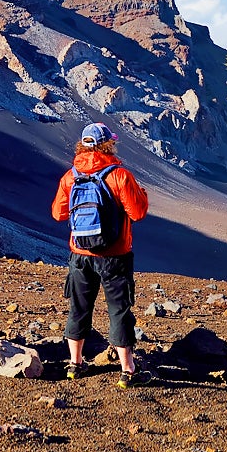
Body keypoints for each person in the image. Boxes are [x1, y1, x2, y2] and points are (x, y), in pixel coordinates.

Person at [50, 122, 151, 387]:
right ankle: (128, 371)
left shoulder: (70, 176)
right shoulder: (119, 175)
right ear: (108, 144)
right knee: (119, 311)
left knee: (79, 307)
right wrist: (142, 195)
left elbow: (58, 214)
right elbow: (138, 213)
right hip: (115, 255)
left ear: (82, 145)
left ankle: (75, 364)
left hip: (79, 254)